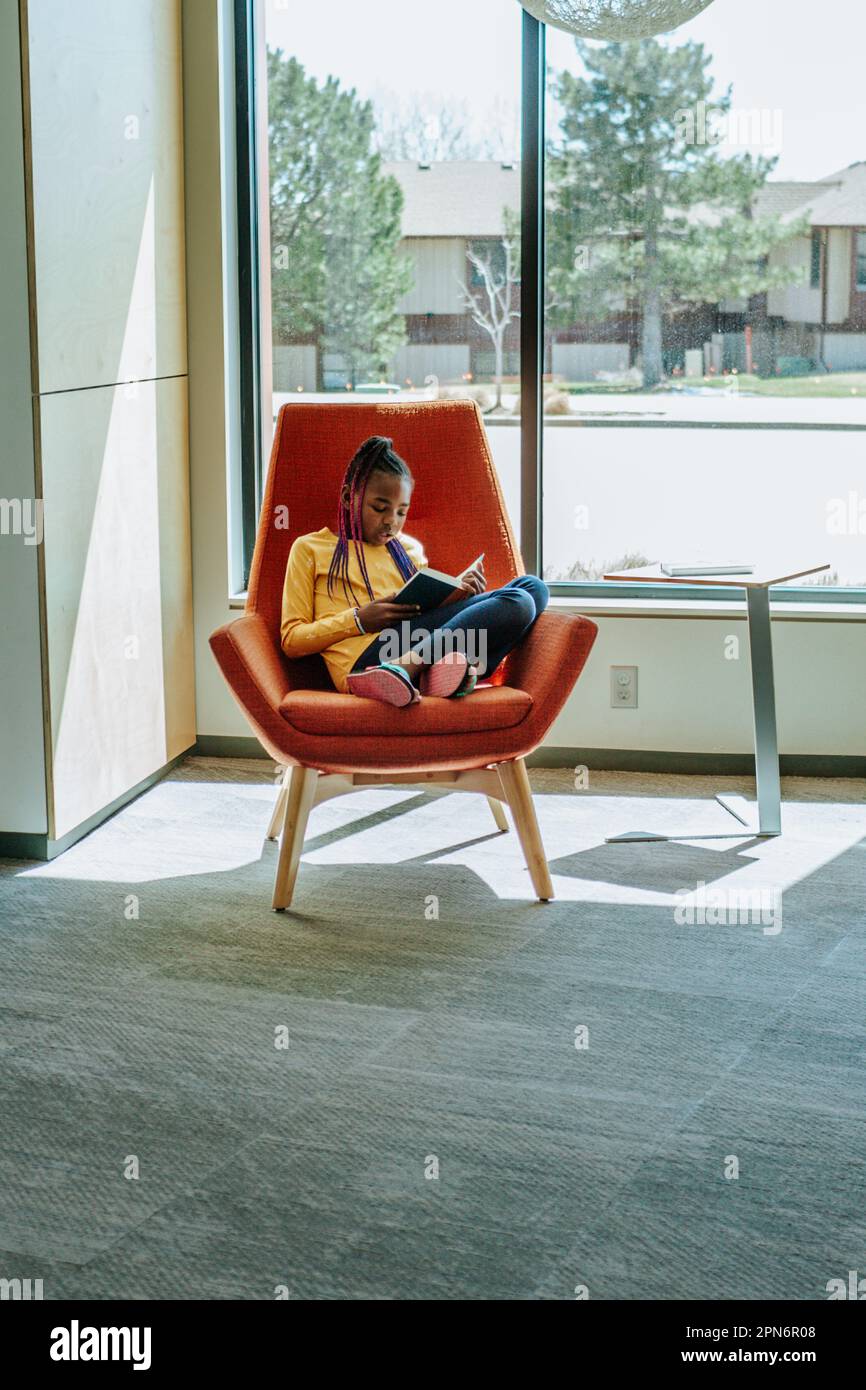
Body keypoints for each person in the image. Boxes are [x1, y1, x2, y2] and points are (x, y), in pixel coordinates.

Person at [280, 435, 548, 707]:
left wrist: (459, 593)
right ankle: (404, 670)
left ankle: (427, 672)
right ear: (350, 497)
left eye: (401, 512)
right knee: (518, 601)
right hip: (364, 661)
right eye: (380, 508)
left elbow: (428, 616)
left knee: (533, 588)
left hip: (414, 641)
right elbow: (291, 640)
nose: (391, 522)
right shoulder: (310, 549)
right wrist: (359, 619)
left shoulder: (408, 549)